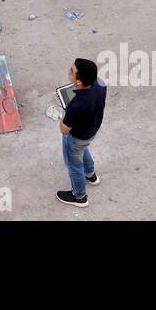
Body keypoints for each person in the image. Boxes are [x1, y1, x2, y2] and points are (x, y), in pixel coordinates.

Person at [58, 58, 106, 207]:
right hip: (91, 130)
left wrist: (64, 112)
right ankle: (90, 174)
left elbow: (64, 130)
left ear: (79, 82)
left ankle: (79, 197)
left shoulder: (75, 106)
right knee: (82, 149)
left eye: (72, 71)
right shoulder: (100, 84)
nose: (69, 71)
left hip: (77, 137)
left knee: (74, 166)